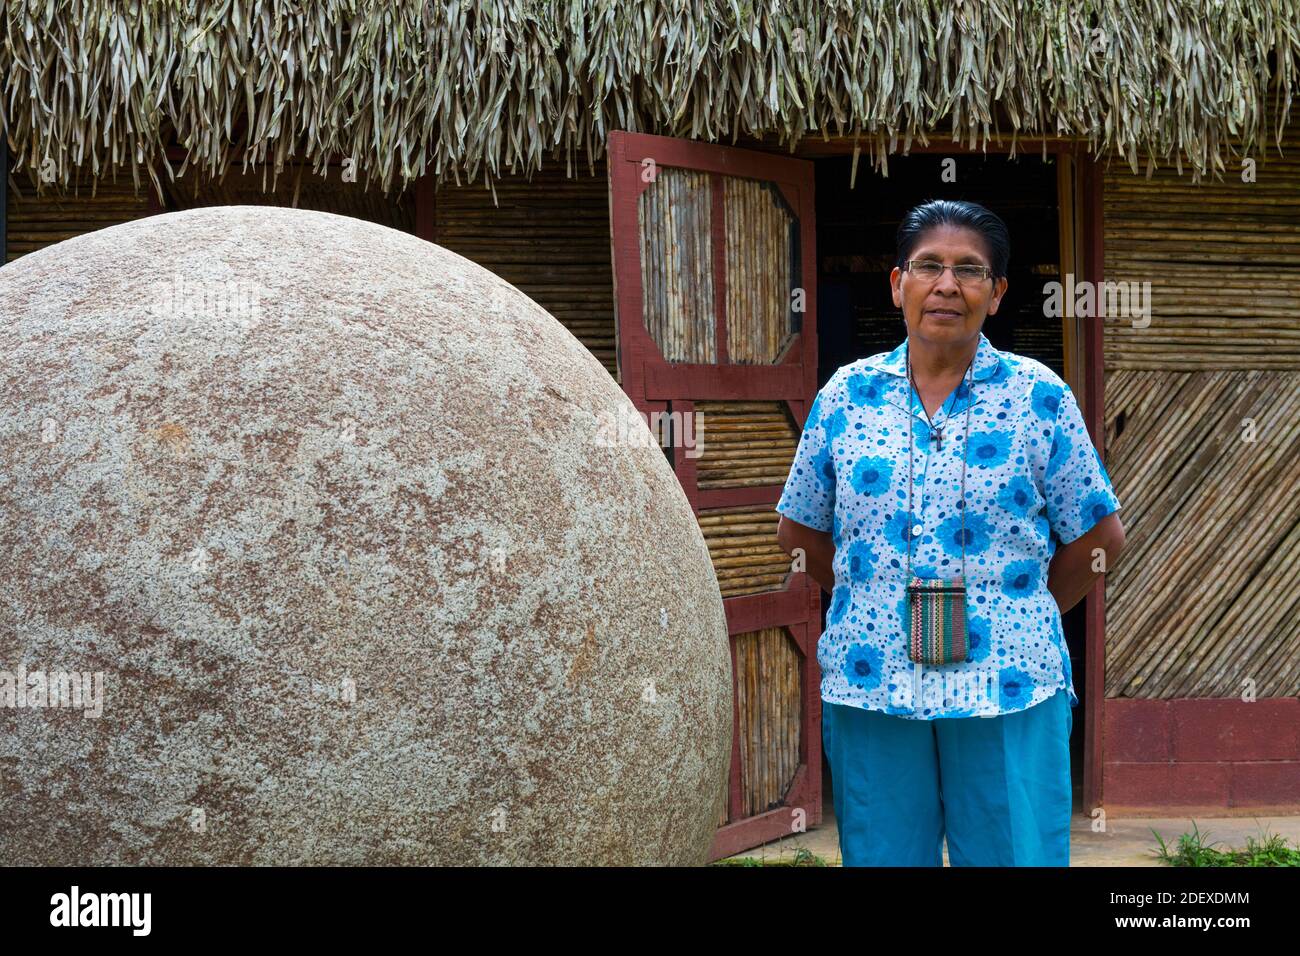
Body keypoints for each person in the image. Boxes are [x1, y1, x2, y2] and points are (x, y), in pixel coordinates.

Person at [775, 198, 1126, 866]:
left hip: (1008, 683)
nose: (946, 285)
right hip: (872, 676)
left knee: (1013, 853)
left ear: (995, 294)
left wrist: (1019, 604)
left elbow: (1100, 537)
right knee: (883, 854)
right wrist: (874, 590)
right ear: (897, 283)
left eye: (970, 271)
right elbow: (801, 530)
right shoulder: (846, 396)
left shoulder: (1038, 396)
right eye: (928, 266)